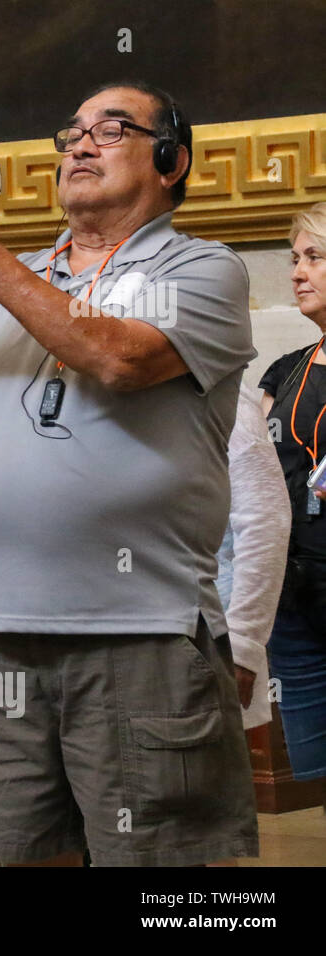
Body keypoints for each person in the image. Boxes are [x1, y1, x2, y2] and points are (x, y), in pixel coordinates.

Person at [0, 81, 259, 865]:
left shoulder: (202, 269)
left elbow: (117, 358)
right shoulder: (12, 281)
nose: (80, 145)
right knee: (12, 854)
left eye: (111, 130)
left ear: (171, 161)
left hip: (138, 634)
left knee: (160, 874)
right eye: (72, 134)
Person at [258, 200, 326, 783]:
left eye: (314, 257)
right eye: (294, 259)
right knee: (313, 773)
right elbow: (250, 477)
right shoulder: (284, 370)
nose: (297, 272)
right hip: (294, 598)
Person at [218, 383, 289, 732]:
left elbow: (264, 518)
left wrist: (243, 643)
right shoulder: (290, 371)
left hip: (204, 619)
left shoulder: (217, 387)